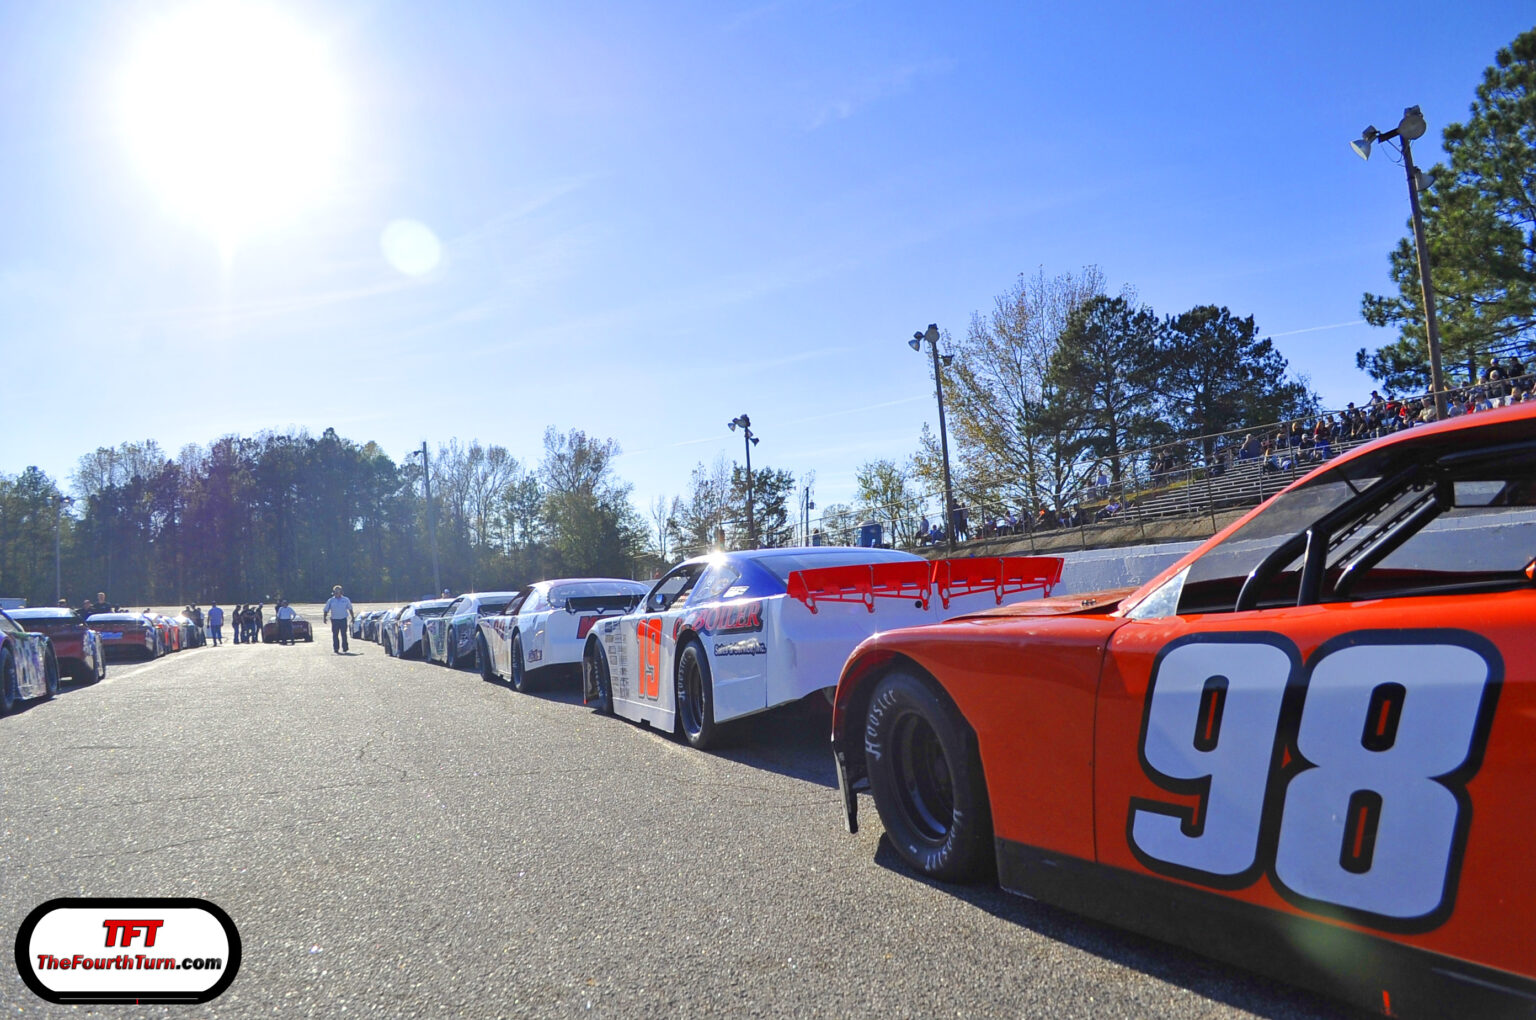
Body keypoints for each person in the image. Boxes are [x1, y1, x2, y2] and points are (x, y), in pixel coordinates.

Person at [323, 585, 355, 654]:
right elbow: (326, 609)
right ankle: (336, 648)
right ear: (334, 592)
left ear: (341, 591)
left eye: (338, 590)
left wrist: (353, 617)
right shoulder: (331, 600)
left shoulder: (346, 599)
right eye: (336, 591)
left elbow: (350, 609)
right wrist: (324, 618)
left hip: (343, 619)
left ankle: (345, 648)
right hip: (334, 620)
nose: (337, 592)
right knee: (335, 634)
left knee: (344, 634)